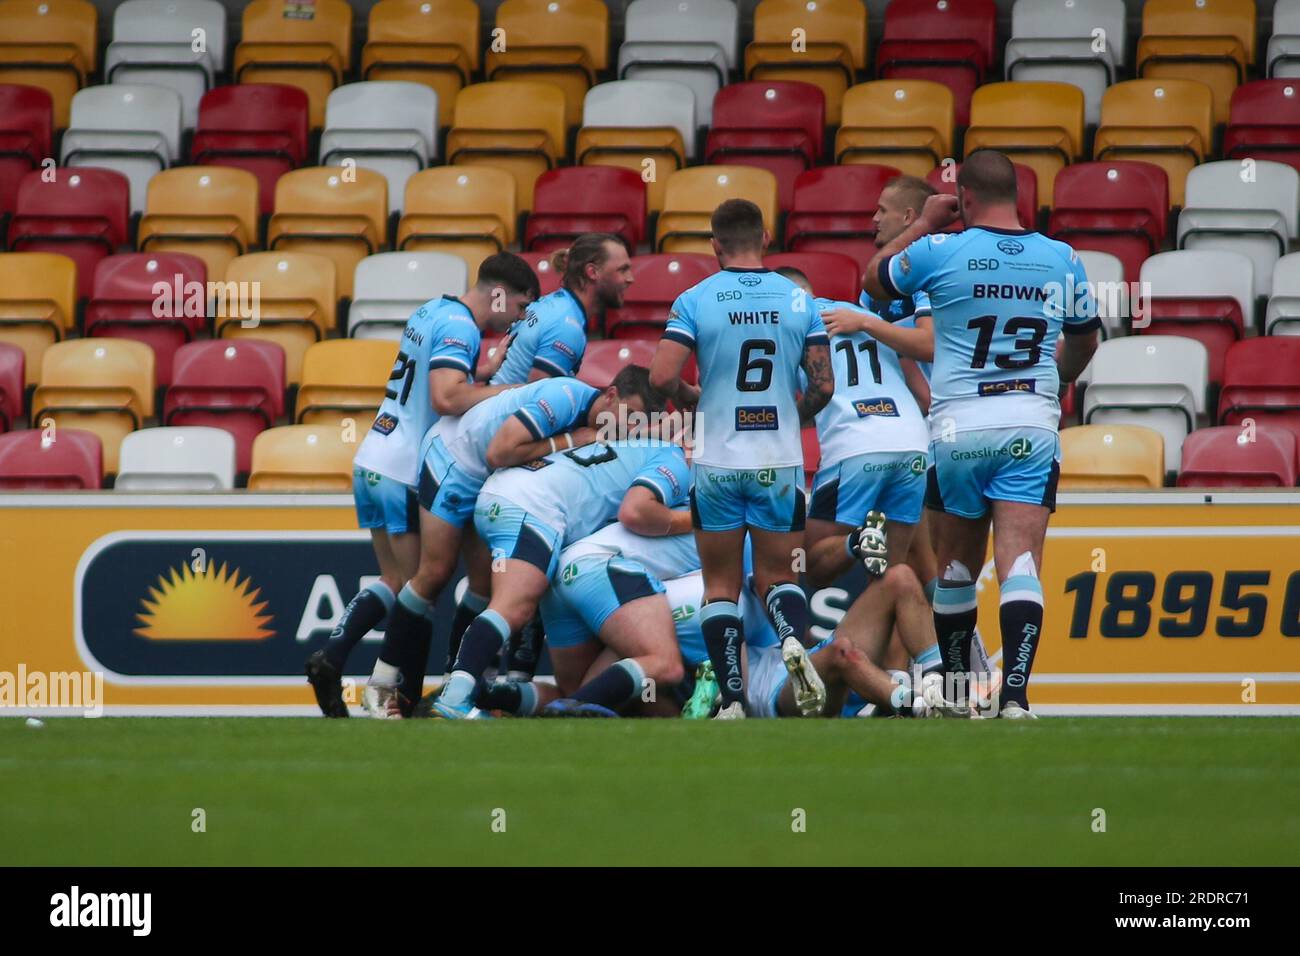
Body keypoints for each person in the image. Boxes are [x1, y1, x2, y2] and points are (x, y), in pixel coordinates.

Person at [862, 149, 1100, 718]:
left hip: (958, 430)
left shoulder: (938, 250)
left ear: (963, 197)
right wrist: (1058, 378)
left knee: (957, 570)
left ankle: (956, 694)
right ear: (1017, 195)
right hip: (1029, 425)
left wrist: (922, 222)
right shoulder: (1061, 258)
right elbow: (1087, 339)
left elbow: (872, 280)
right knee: (1020, 565)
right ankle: (1014, 698)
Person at [305, 252, 538, 717]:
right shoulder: (462, 327)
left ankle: (339, 662)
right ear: (498, 294)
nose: (518, 320)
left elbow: (431, 381)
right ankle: (382, 689)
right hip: (403, 467)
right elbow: (445, 396)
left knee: (395, 580)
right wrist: (512, 391)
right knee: (420, 587)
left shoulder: (432, 309)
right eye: (519, 308)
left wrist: (483, 374)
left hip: (372, 458)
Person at [361, 367, 662, 716]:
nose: (627, 428)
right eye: (628, 416)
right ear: (610, 395)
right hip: (453, 460)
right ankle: (381, 684)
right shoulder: (563, 397)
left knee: (484, 588)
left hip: (490, 481)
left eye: (637, 424)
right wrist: (570, 441)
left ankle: (456, 690)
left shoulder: (592, 416)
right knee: (435, 572)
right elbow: (499, 452)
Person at [650, 198, 835, 719]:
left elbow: (662, 377)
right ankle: (791, 642)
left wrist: (694, 400)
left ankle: (731, 699)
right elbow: (823, 385)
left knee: (720, 586)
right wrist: (786, 416)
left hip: (716, 463)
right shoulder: (800, 301)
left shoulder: (695, 298)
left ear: (714, 245)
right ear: (767, 238)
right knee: (779, 577)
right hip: (778, 462)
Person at [427, 438, 693, 719]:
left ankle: (486, 693)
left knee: (580, 688)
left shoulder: (625, 441)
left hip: (560, 557)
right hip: (561, 531)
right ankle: (457, 694)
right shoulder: (676, 462)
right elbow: (635, 512)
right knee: (663, 665)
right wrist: (698, 519)